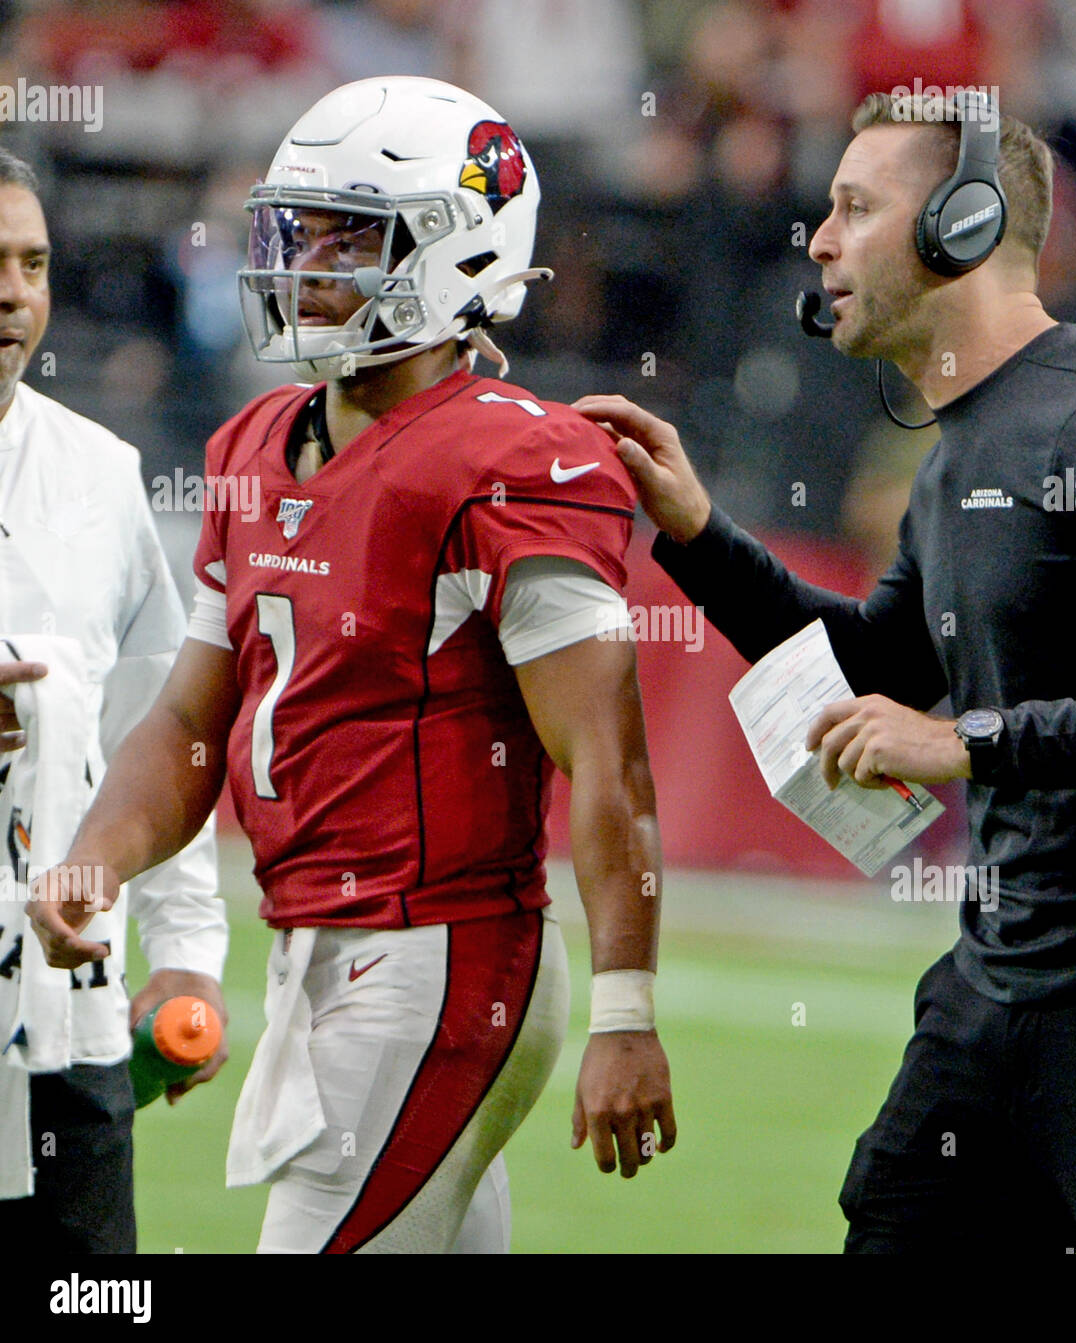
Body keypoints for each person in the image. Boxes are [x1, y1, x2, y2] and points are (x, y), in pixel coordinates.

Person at [577, 91, 1076, 1254]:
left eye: (855, 206)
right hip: (996, 986)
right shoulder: (960, 439)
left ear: (960, 226)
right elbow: (874, 663)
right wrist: (701, 536)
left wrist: (968, 742)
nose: (818, 239)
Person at [27, 77, 674, 1255]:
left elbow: (609, 764)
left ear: (462, 248)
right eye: (299, 230)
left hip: (441, 957)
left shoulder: (514, 458)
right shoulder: (253, 441)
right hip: (320, 950)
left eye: (351, 236)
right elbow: (188, 724)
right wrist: (97, 862)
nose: (310, 263)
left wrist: (627, 1011)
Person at [0, 147, 227, 1253]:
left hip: (68, 1014)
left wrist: (187, 948)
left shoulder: (101, 475)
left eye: (34, 263)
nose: (14, 293)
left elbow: (160, 725)